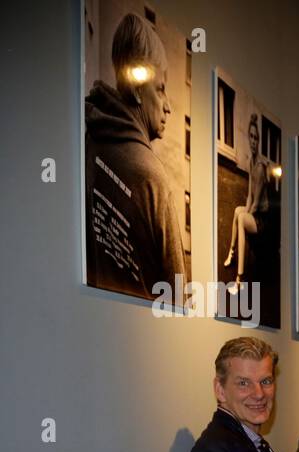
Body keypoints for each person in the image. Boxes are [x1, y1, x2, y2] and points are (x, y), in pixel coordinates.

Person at [84, 11, 186, 299]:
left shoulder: (90, 142)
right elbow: (176, 295)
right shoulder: (151, 177)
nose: (168, 106)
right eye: (161, 89)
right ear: (139, 90)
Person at [222, 114, 271, 294]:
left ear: (259, 141)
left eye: (256, 138)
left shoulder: (260, 166)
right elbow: (250, 196)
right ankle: (232, 252)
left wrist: (247, 214)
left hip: (263, 220)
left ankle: (239, 280)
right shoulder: (251, 161)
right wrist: (246, 210)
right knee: (237, 211)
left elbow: (257, 203)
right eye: (250, 136)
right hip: (255, 212)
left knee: (242, 218)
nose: (253, 141)